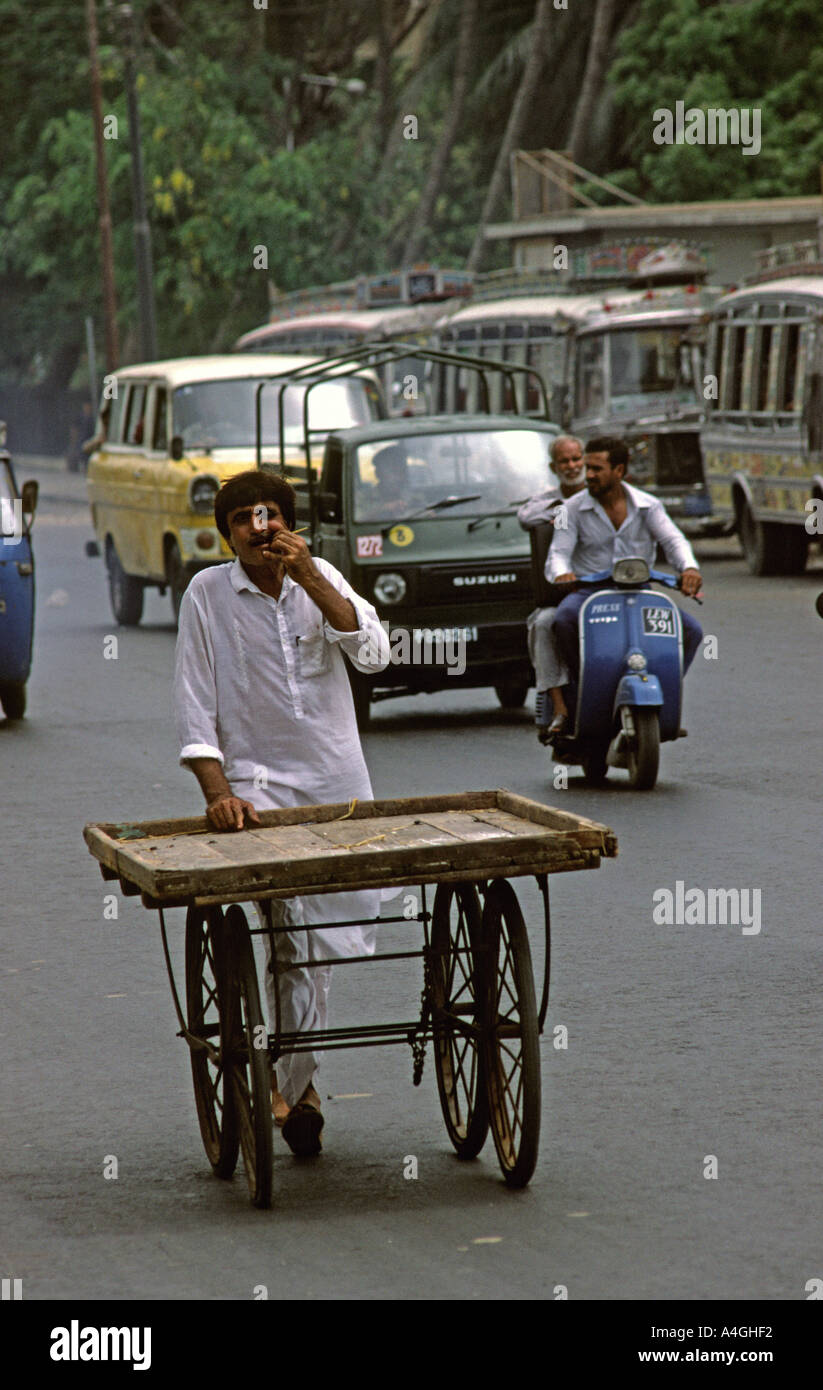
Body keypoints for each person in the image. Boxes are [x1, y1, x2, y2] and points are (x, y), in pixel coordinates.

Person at [173, 469, 390, 1156]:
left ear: (289, 523)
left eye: (269, 515)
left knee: (325, 947)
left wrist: (313, 581)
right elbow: (193, 699)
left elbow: (375, 656)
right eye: (242, 518)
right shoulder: (207, 593)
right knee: (291, 937)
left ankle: (294, 1084)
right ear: (227, 530)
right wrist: (217, 792)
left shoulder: (319, 575)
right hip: (259, 790)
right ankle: (294, 1093)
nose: (258, 527)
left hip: (338, 783)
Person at [546, 436, 703, 735]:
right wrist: (562, 574)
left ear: (619, 471)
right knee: (564, 619)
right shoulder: (571, 509)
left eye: (597, 468)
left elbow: (673, 540)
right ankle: (581, 688)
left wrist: (690, 568)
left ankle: (664, 693)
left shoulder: (648, 505)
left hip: (639, 592)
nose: (588, 474)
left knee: (691, 632)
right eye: (587, 468)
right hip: (591, 593)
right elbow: (558, 554)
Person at [517, 436, 586, 742]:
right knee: (544, 623)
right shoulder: (551, 503)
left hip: (605, 588)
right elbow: (526, 517)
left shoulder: (607, 499)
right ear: (554, 467)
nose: (572, 467)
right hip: (566, 591)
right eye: (565, 462)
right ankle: (560, 707)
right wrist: (563, 508)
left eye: (577, 459)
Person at [360, 444, 410, 519]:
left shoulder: (416, 496)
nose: (398, 476)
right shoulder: (364, 498)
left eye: (402, 469)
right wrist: (382, 509)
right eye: (392, 470)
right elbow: (357, 521)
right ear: (378, 473)